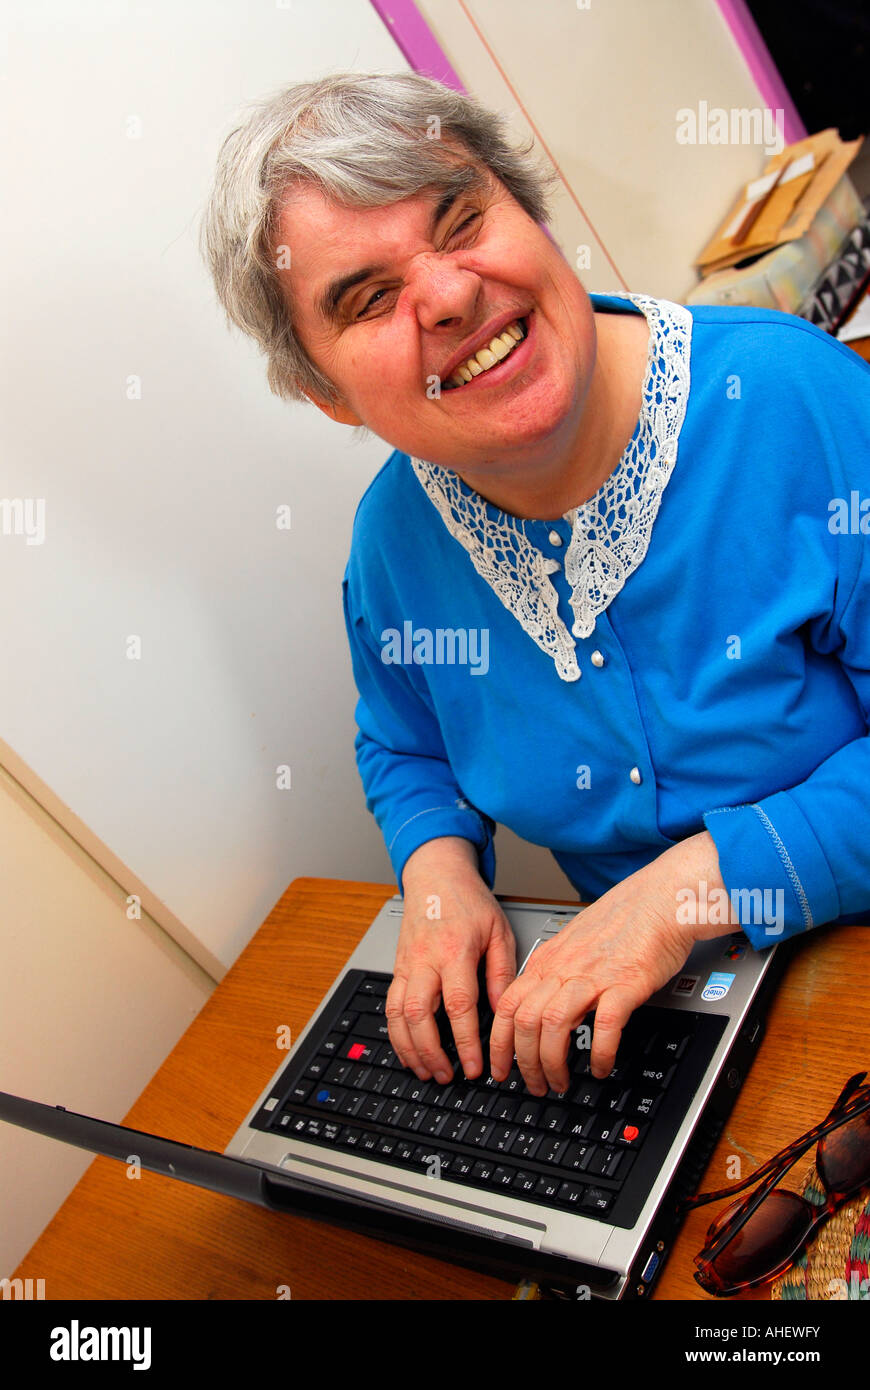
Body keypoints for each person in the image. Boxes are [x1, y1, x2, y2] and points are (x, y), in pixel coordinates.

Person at [200, 71, 870, 1102]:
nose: (454, 294)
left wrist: (683, 894)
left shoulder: (795, 401)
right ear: (329, 395)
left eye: (462, 220)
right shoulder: (392, 542)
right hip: (661, 1031)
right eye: (370, 297)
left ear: (532, 213)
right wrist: (437, 872)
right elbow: (404, 739)